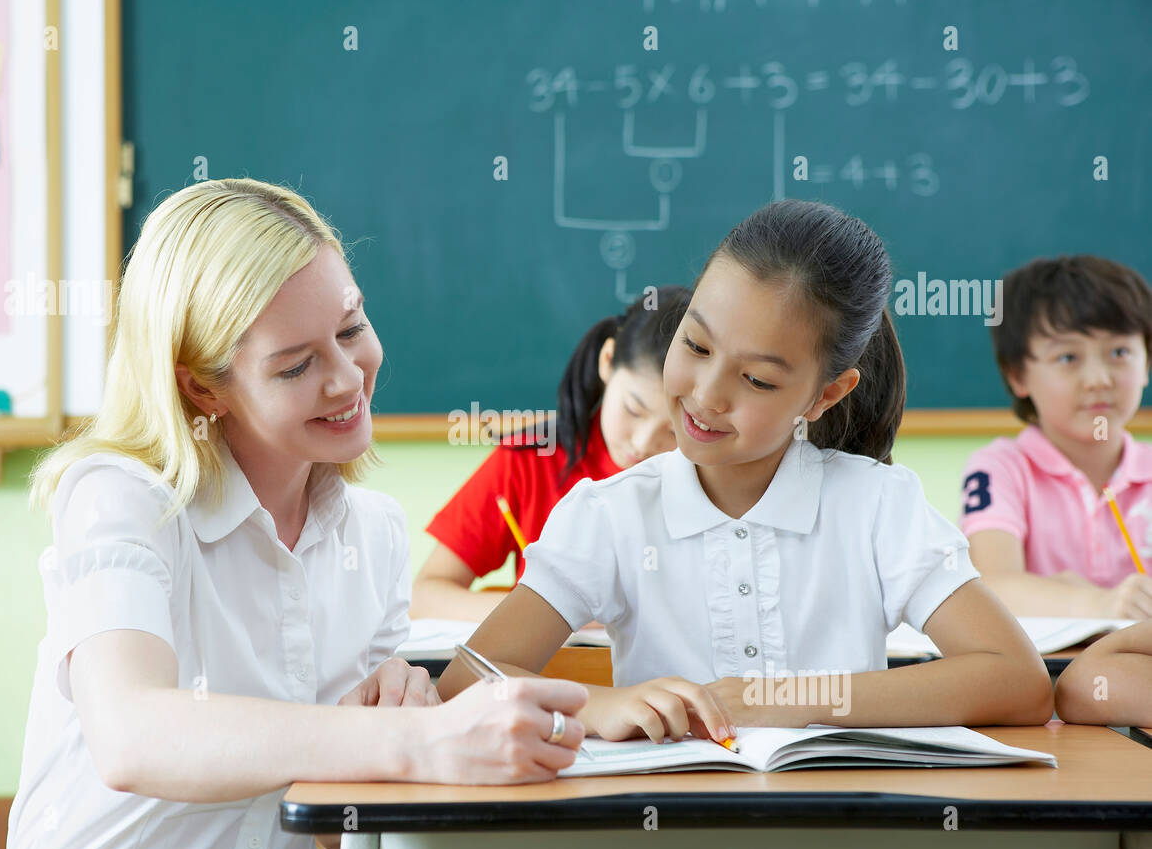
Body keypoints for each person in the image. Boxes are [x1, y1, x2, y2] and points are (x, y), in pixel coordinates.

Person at [6, 178, 585, 849]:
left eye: (352, 329)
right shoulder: (122, 497)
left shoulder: (372, 532)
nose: (347, 379)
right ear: (201, 387)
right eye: (297, 365)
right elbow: (131, 734)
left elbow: (334, 823)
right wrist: (420, 740)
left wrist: (387, 716)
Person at [437, 199, 1054, 739]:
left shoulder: (875, 507)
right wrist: (599, 706)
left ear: (824, 396)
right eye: (695, 346)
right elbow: (468, 680)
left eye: (756, 379)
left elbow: (1020, 682)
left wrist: (785, 701)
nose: (705, 395)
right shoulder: (609, 514)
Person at [413, 287, 690, 621]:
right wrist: (546, 616)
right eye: (633, 409)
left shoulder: (715, 480)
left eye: (674, 431)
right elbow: (424, 596)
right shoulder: (529, 459)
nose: (644, 443)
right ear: (607, 361)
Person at [960, 255, 1152, 617]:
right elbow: (990, 586)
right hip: (1047, 672)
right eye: (1068, 357)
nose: (1098, 379)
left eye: (1119, 352)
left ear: (1146, 363)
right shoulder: (999, 469)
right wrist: (1104, 603)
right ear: (1018, 375)